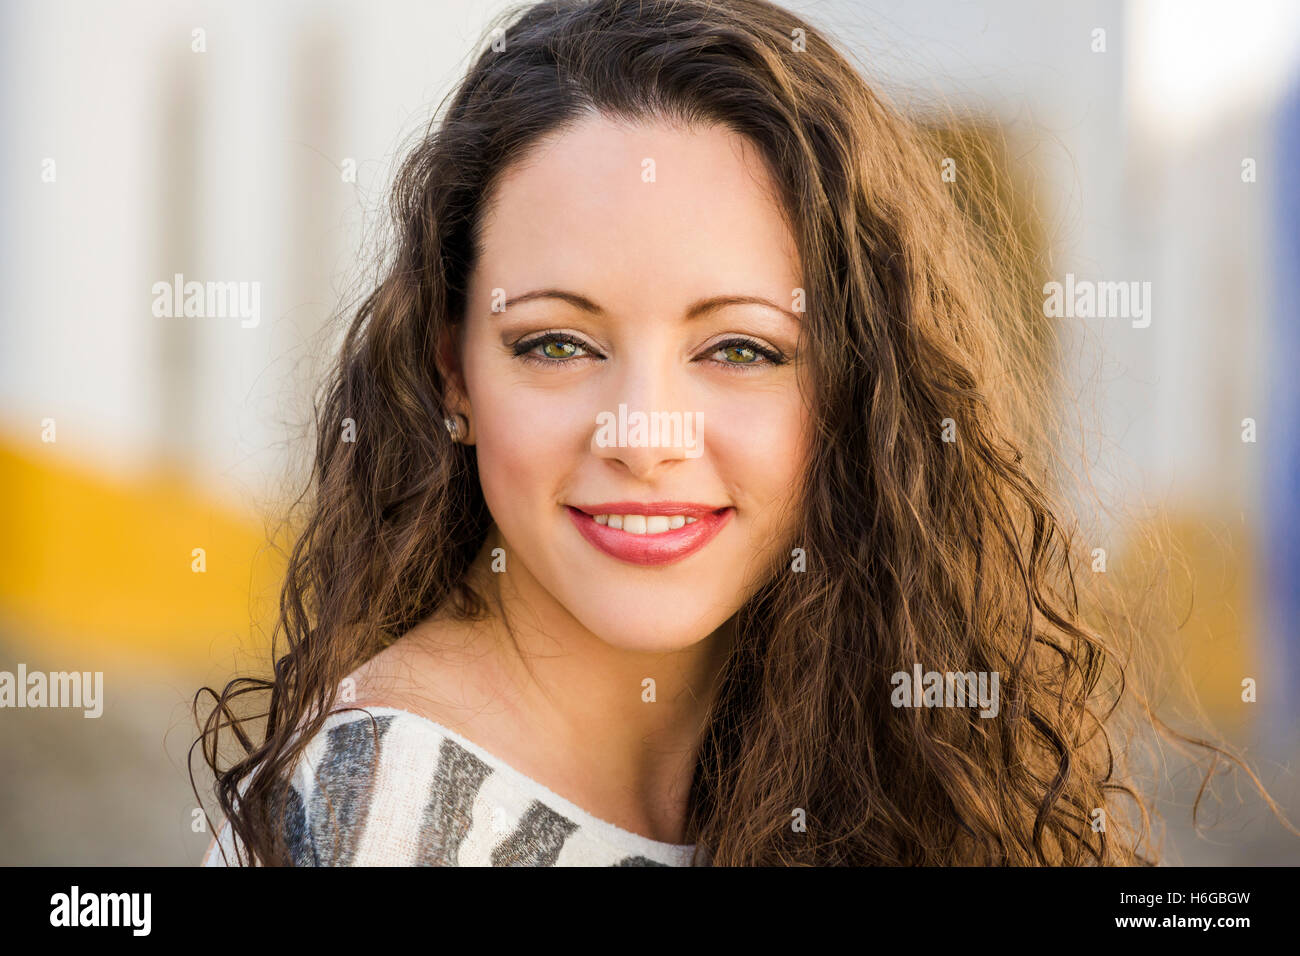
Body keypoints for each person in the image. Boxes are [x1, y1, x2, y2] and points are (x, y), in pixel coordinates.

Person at [194, 0, 1284, 866]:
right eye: (557, 344)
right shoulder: (371, 817)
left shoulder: (879, 741)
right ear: (453, 374)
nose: (644, 433)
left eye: (741, 349)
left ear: (858, 388)